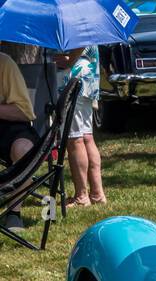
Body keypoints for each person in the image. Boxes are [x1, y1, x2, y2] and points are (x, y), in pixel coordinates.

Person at [57, 47, 106, 206]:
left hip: (75, 74)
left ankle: (81, 196)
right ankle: (97, 194)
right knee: (86, 136)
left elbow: (80, 42)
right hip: (87, 73)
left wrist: (68, 60)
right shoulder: (88, 20)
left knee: (74, 139)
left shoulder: (74, 20)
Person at [0, 49, 38, 167]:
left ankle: (21, 185)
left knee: (23, 149)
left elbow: (23, 112)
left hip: (9, 126)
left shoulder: (4, 63)